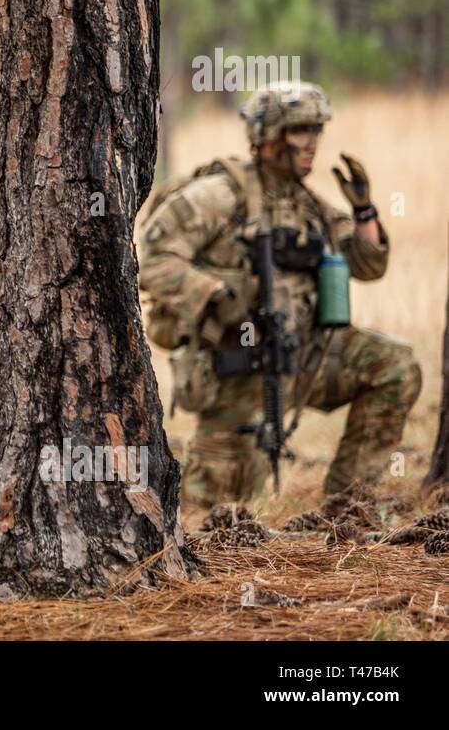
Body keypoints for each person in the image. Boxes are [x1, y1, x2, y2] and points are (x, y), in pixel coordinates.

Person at [138, 80, 421, 508]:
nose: (312, 143)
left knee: (395, 366)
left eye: (316, 130)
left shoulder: (306, 203)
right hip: (240, 367)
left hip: (304, 356)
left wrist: (364, 210)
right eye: (300, 130)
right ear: (269, 137)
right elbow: (154, 258)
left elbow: (368, 265)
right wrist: (219, 294)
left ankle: (347, 504)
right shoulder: (220, 194)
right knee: (218, 508)